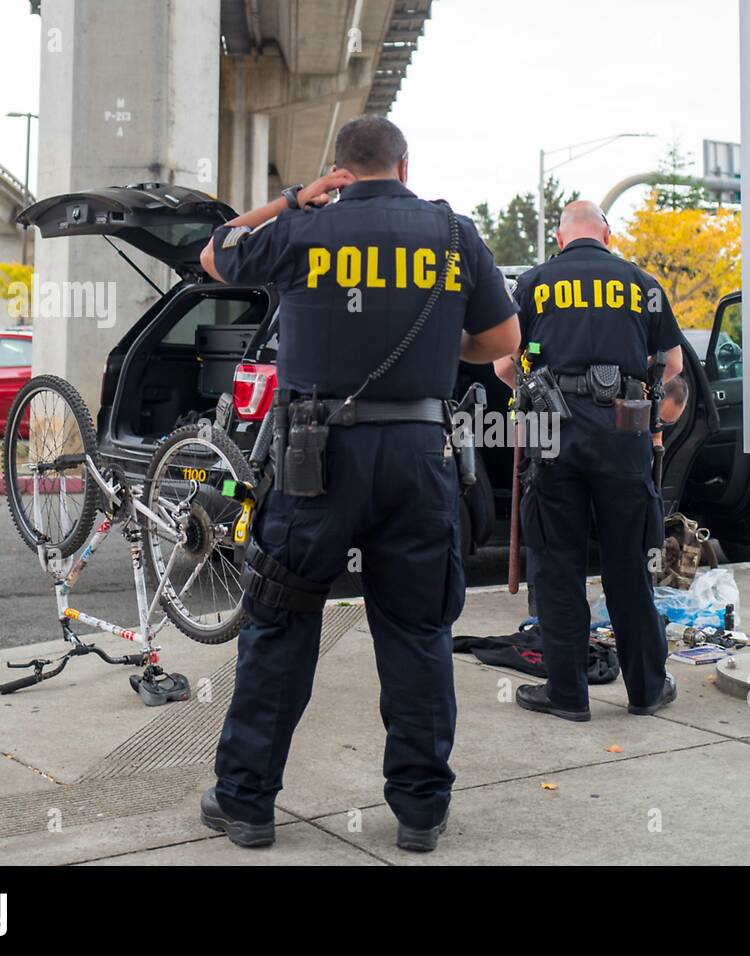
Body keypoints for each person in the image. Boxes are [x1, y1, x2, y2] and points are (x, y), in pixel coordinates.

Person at [196, 116, 520, 852]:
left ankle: (246, 803)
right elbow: (501, 342)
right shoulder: (452, 233)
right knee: (416, 631)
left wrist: (292, 200)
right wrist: (438, 344)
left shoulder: (306, 228)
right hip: (418, 453)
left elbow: (213, 252)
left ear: (338, 171)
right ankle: (419, 811)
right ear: (406, 166)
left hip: (317, 459)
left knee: (281, 624)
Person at [495, 200, 683, 722]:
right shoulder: (641, 282)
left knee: (557, 567)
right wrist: (644, 401)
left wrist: (536, 391)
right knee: (630, 567)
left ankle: (568, 694)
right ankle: (646, 690)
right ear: (608, 233)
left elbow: (503, 363)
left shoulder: (533, 284)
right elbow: (672, 361)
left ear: (559, 239)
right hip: (625, 429)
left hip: (550, 432)